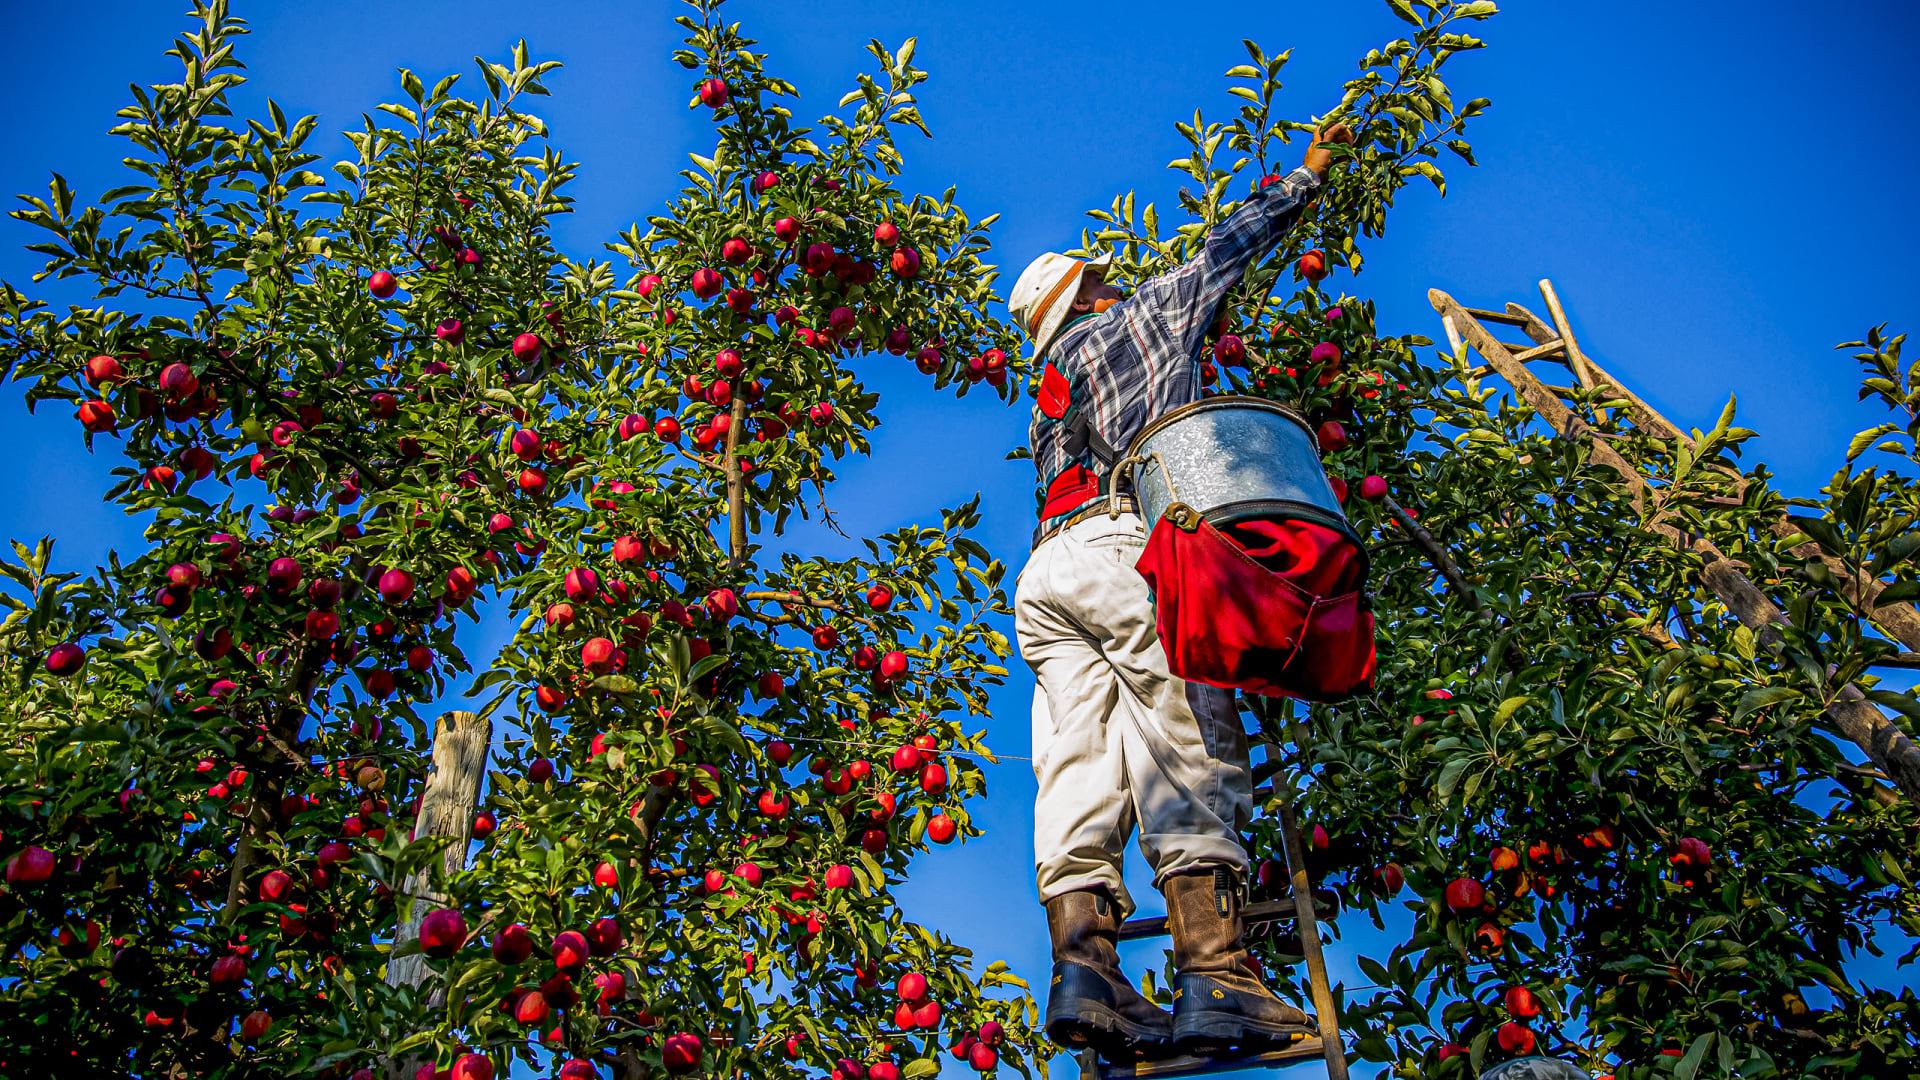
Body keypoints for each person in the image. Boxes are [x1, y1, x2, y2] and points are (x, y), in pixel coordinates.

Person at [1007, 119, 1352, 1061]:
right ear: (1090, 290)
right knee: (1185, 730)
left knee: (1078, 763)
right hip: (1127, 547)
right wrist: (1307, 177)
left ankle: (1087, 970)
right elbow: (1226, 251)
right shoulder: (1141, 316)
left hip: (1046, 575)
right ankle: (1218, 974)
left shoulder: (1050, 378)